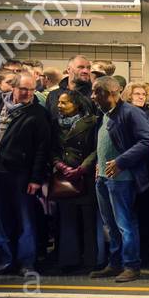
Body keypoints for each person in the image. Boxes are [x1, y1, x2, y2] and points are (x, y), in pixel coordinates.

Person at [87, 75, 149, 283]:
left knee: (125, 224)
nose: (92, 96)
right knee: (110, 224)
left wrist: (120, 162)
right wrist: (100, 163)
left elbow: (148, 140)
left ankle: (131, 265)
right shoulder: (105, 114)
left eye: (96, 92)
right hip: (103, 177)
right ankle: (115, 263)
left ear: (112, 93)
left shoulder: (130, 112)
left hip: (122, 178)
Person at [0, 71, 50, 275]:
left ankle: (26, 262)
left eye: (32, 89)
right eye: (23, 89)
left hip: (21, 173)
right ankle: (5, 259)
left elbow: (42, 149)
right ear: (13, 87)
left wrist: (36, 178)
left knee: (25, 218)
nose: (28, 93)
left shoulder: (38, 113)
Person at [49, 88, 101, 274]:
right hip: (64, 177)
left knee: (88, 221)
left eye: (64, 102)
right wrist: (61, 166)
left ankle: (90, 262)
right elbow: (51, 148)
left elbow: (97, 148)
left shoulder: (92, 122)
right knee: (67, 221)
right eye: (59, 102)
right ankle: (68, 261)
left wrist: (82, 168)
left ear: (76, 104)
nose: (59, 106)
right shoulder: (54, 124)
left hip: (84, 176)